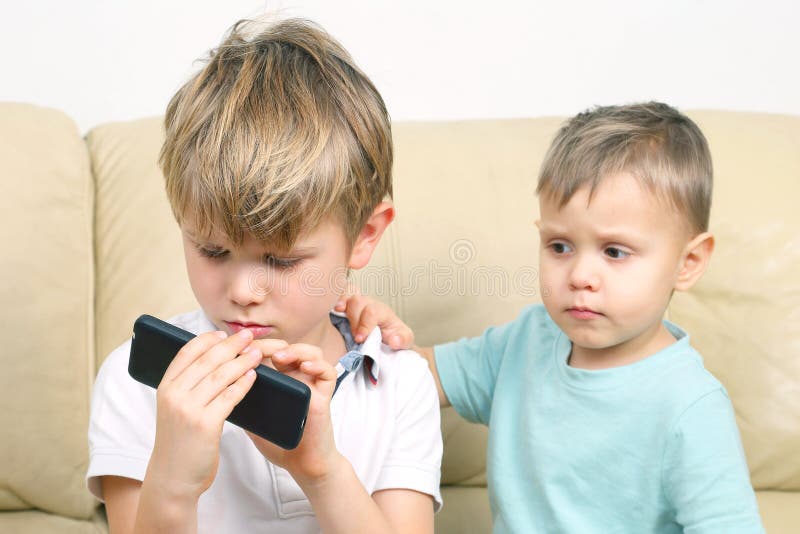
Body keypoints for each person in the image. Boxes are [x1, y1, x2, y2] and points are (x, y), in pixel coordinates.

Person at [338, 102, 765, 532]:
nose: (580, 276)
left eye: (614, 252)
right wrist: (368, 336)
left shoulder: (691, 406)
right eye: (560, 246)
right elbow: (411, 377)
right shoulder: (528, 339)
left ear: (688, 261)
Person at [86, 18, 442, 534]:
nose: (241, 293)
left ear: (365, 235)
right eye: (212, 250)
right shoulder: (135, 383)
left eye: (280, 260)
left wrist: (321, 472)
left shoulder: (399, 384)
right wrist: (172, 483)